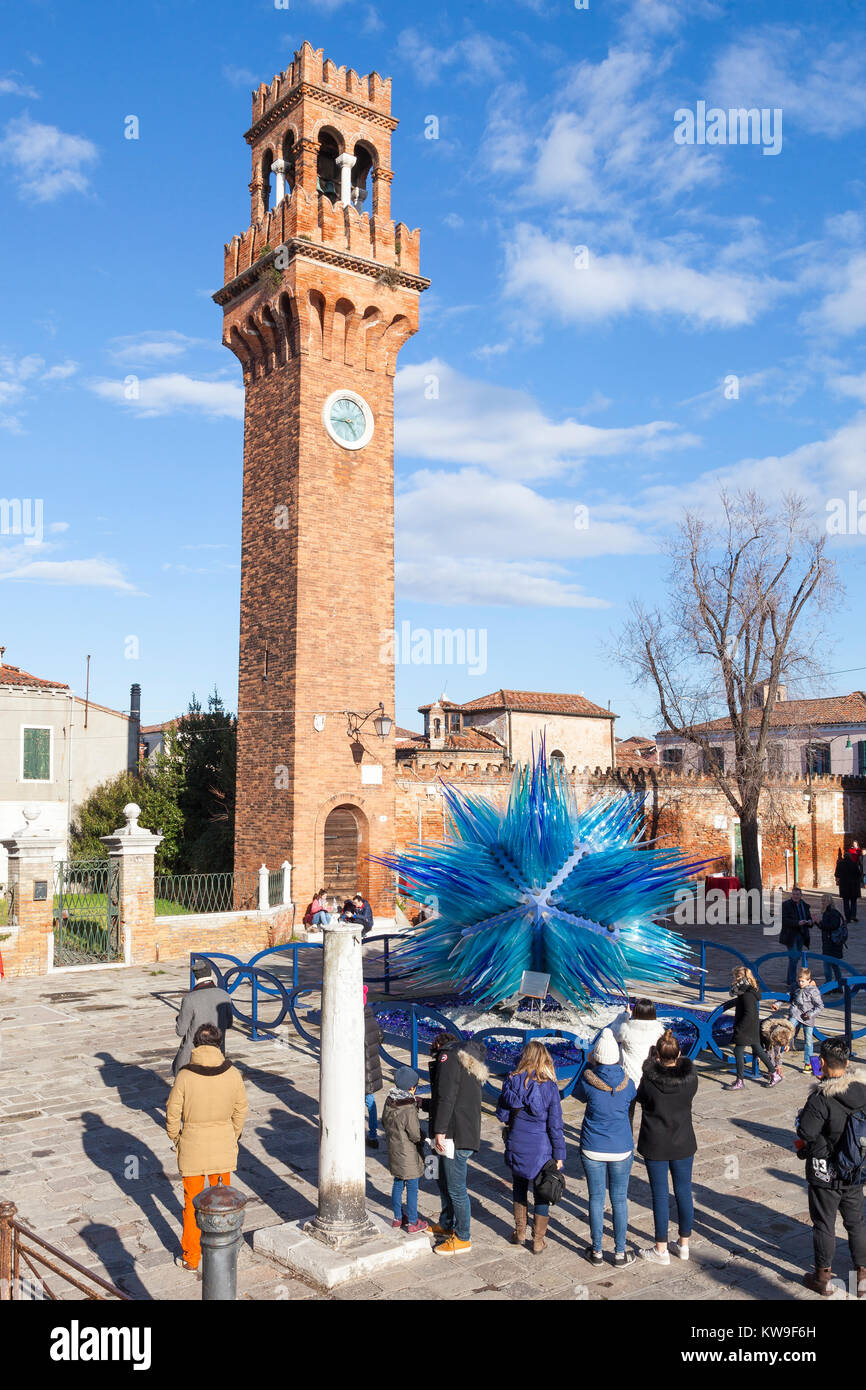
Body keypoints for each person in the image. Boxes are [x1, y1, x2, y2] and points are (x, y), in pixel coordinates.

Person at [165, 1022, 248, 1273]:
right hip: (222, 1146)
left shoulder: (185, 1075)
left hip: (192, 1146)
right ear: (219, 1043)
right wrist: (231, 1136)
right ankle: (225, 1251)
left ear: (196, 1044)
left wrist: (177, 1138)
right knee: (221, 1202)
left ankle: (192, 1256)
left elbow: (172, 1113)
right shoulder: (232, 1073)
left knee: (192, 1205)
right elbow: (241, 1109)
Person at [795, 1037, 866, 1297]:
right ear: (847, 1063)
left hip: (825, 1170)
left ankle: (823, 1279)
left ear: (821, 1063)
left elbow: (807, 1131)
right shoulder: (863, 1090)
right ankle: (862, 1278)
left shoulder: (820, 1097)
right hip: (856, 1169)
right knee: (856, 1223)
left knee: (824, 1223)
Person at [495, 1040, 565, 1254]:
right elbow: (555, 1125)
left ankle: (519, 1232)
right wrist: (559, 1153)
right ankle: (538, 1239)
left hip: (517, 1142)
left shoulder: (511, 1081)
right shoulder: (550, 1087)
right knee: (542, 1191)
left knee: (519, 1186)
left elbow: (502, 1115)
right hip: (542, 1149)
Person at [574, 1028, 636, 1267]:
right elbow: (631, 1098)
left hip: (593, 1146)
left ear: (597, 1056)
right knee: (619, 1199)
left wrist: (586, 1065)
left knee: (596, 1198)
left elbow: (577, 1094)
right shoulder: (627, 1082)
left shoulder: (588, 1081)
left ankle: (597, 1250)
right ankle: (620, 1252)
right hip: (621, 1146)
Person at [635, 1029, 698, 1265]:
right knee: (684, 1191)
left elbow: (640, 1097)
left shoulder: (649, 1081)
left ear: (658, 1056)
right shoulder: (691, 1079)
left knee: (660, 1195)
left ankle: (661, 1248)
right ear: (679, 1054)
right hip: (683, 1141)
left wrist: (650, 1066)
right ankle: (684, 1245)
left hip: (656, 1143)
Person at [429, 1033, 489, 1256]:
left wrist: (439, 1132)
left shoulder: (448, 1057)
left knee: (456, 1189)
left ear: (438, 1046)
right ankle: (446, 1224)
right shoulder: (466, 1060)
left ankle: (463, 1237)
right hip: (465, 1130)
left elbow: (446, 1096)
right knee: (442, 1181)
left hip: (454, 1134)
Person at [381, 1065, 429, 1235]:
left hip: (394, 1151)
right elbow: (415, 1134)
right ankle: (413, 1222)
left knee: (397, 1183)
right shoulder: (408, 1107)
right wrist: (423, 1137)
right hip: (409, 1154)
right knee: (413, 1187)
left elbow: (384, 1122)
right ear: (412, 1088)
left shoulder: (389, 1101)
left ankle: (397, 1218)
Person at [720, 966, 781, 1090]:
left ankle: (740, 1081)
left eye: (735, 977)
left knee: (738, 1051)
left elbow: (749, 1012)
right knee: (758, 1049)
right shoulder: (750, 989)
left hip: (745, 1027)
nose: (733, 980)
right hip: (752, 1026)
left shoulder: (746, 993)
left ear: (740, 978)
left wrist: (740, 1028)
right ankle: (774, 1074)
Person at [172, 961, 234, 1077]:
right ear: (210, 973)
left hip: (192, 1058)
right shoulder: (224, 995)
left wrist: (179, 1018)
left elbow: (180, 1031)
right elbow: (229, 1024)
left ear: (195, 975)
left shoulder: (189, 999)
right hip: (217, 1056)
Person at [772, 966, 824, 1075]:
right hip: (795, 1014)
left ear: (809, 981)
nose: (800, 983)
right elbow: (787, 996)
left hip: (807, 1018)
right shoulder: (795, 987)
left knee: (808, 1041)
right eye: (799, 981)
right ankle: (777, 1061)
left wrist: (810, 1014)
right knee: (785, 1034)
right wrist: (778, 1003)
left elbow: (819, 1006)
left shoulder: (813, 991)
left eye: (803, 981)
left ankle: (808, 1063)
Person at [615, 998, 665, 1089]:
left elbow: (613, 1033)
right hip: (650, 1078)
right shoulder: (659, 1030)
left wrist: (624, 1015)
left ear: (635, 1012)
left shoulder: (626, 1029)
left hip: (630, 1079)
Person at [780, 886, 813, 992]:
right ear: (792, 895)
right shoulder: (786, 905)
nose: (795, 896)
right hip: (791, 935)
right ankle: (791, 981)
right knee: (793, 958)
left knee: (796, 958)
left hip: (802, 935)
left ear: (801, 895)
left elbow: (808, 917)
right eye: (794, 894)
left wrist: (810, 922)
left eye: (797, 894)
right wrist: (797, 923)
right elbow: (784, 920)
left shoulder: (805, 905)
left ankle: (794, 980)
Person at [363, 985, 383, 1149]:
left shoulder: (354, 1021)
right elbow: (380, 1036)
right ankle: (373, 1135)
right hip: (371, 1068)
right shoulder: (370, 1016)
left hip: (360, 1070)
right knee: (370, 1102)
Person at [819, 894, 847, 992]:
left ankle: (829, 987)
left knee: (828, 966)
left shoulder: (832, 912)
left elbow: (832, 926)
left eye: (824, 901)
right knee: (835, 966)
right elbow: (825, 928)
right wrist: (817, 923)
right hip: (830, 943)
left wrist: (819, 923)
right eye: (822, 900)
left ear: (829, 902)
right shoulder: (829, 912)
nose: (823, 902)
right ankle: (838, 987)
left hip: (832, 944)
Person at [835, 844, 863, 924]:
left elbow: (836, 874)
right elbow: (859, 874)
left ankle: (848, 918)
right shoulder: (854, 864)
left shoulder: (840, 864)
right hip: (854, 886)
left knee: (846, 903)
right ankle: (853, 916)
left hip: (844, 886)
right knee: (854, 902)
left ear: (844, 856)